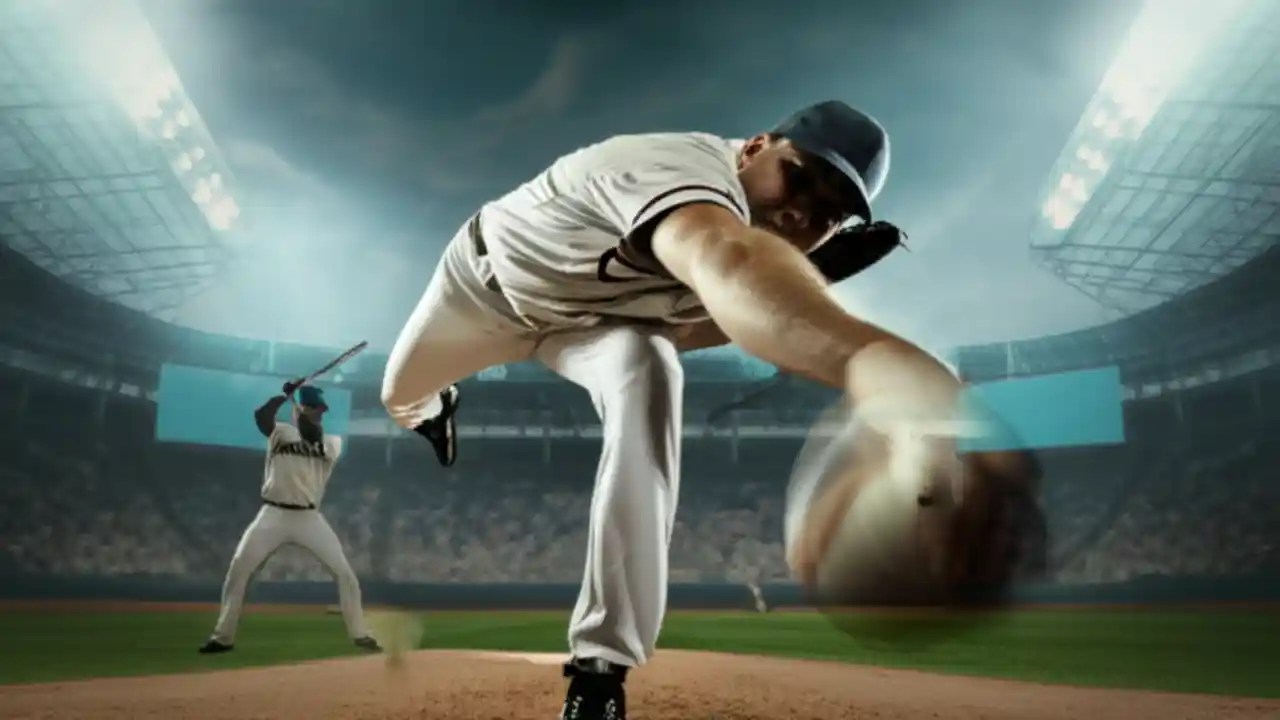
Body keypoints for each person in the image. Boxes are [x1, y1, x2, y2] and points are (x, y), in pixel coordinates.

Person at [381, 100, 1031, 719]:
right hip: (479, 295)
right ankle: (434, 412)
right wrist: (869, 357)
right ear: (754, 148)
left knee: (648, 369)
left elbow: (694, 327)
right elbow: (725, 259)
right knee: (399, 395)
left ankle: (600, 668)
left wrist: (807, 281)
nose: (804, 215)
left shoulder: (756, 230)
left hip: (591, 327)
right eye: (799, 179)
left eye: (830, 213)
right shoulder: (674, 172)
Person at [198, 382, 381, 654]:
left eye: (321, 409)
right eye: (315, 408)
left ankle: (360, 633)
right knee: (239, 568)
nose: (320, 413)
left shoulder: (332, 442)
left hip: (309, 518)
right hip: (272, 514)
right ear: (303, 408)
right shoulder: (281, 433)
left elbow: (311, 434)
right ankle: (223, 637)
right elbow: (261, 416)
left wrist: (298, 408)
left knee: (345, 574)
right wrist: (284, 396)